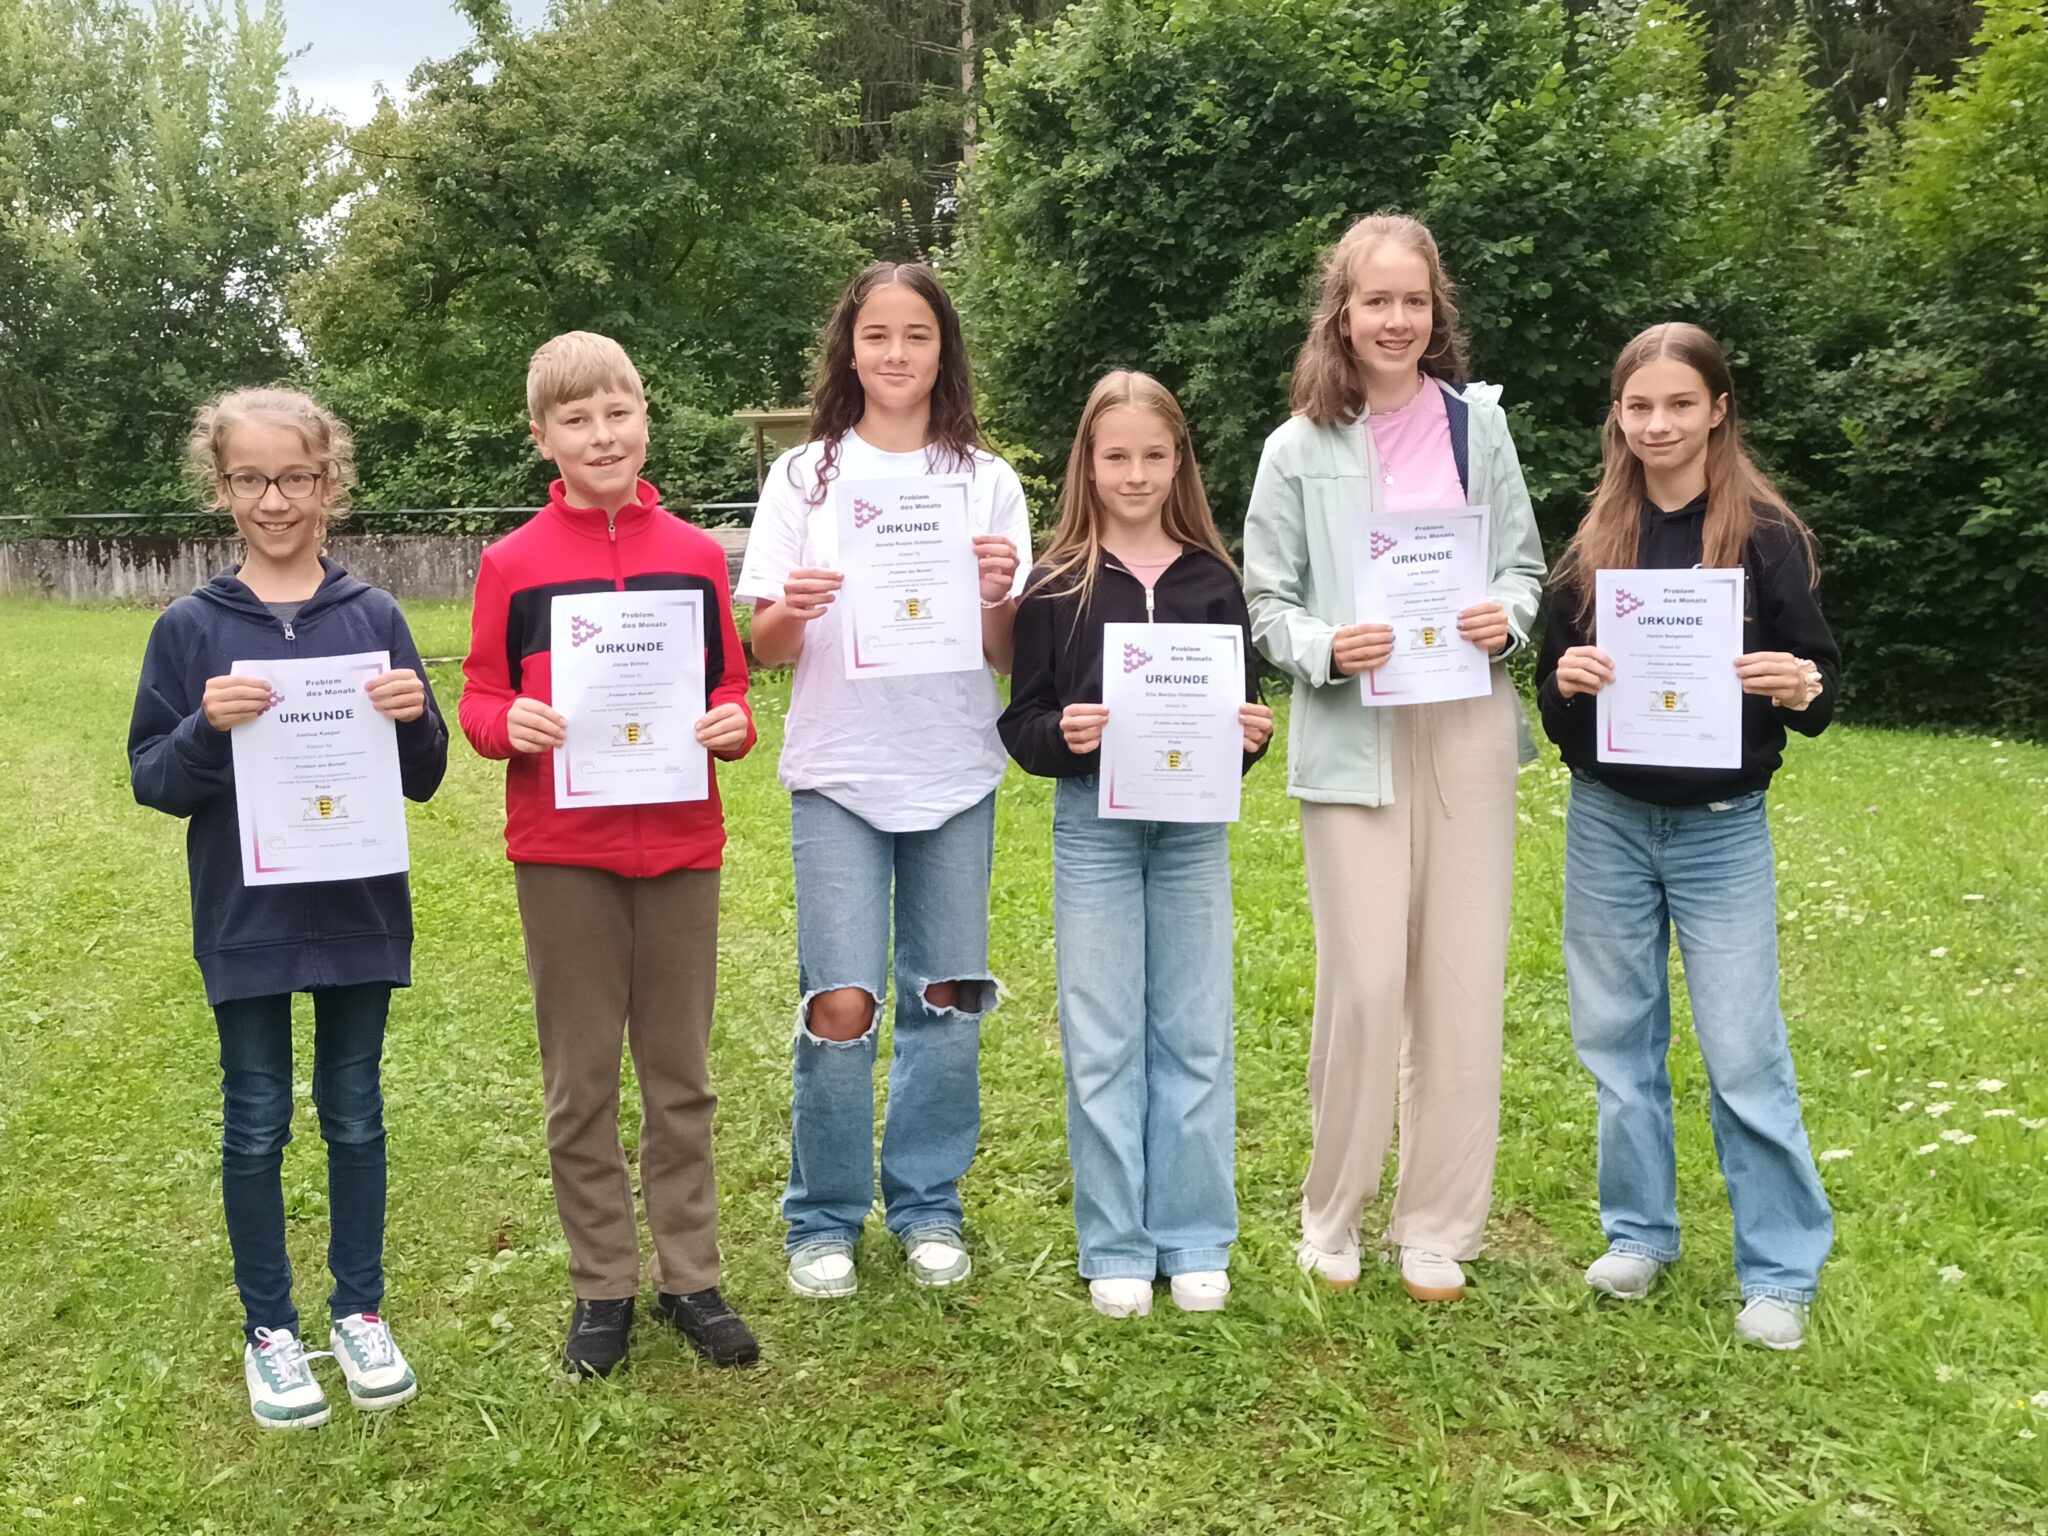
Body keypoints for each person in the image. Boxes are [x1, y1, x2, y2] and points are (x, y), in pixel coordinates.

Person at [129, 387, 447, 1428]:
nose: (277, 499)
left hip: (356, 903)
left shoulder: (374, 616)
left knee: (354, 1114)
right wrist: (202, 732)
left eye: (297, 478)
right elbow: (153, 779)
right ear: (221, 490)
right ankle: (271, 1330)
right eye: (253, 479)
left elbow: (425, 774)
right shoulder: (187, 629)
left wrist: (411, 715)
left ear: (329, 485)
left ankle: (358, 1309)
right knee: (256, 1120)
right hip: (248, 917)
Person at [1242, 213, 1546, 1303]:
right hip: (1350, 732)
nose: (1395, 319)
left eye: (1413, 301)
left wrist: (1498, 622)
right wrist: (1324, 645)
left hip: (1462, 725)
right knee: (1365, 983)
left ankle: (1436, 1225)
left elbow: (1522, 570)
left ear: (1435, 312)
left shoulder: (1477, 428)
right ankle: (1332, 1214)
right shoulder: (1295, 446)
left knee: (1459, 984)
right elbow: (1264, 599)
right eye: (1376, 300)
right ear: (1342, 312)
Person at [458, 331, 759, 1376]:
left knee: (680, 1075)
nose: (602, 434)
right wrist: (510, 727)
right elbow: (481, 696)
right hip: (564, 851)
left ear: (644, 415)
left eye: (617, 410)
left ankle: (692, 1275)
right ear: (543, 436)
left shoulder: (695, 555)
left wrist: (733, 723)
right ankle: (601, 1288)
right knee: (579, 1080)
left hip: (680, 843)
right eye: (577, 419)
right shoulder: (511, 563)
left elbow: (728, 683)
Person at [1535, 320, 1836, 1351]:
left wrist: (1800, 685)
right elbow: (1555, 704)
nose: (1656, 424)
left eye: (1677, 404)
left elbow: (1814, 681)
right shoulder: (1593, 544)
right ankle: (1638, 1233)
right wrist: (1565, 683)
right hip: (1607, 821)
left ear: (1716, 410)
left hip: (1719, 829)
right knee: (1616, 1039)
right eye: (1637, 406)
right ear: (1616, 419)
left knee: (1743, 1049)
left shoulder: (1764, 538)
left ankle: (1779, 1269)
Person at [736, 261, 1029, 1299]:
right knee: (841, 1001)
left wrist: (998, 592)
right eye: (876, 336)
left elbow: (1004, 656)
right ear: (847, 351)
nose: (895, 354)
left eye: (916, 335)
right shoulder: (804, 480)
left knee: (945, 999)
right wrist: (795, 607)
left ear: (942, 350)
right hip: (839, 772)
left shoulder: (983, 481)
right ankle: (821, 1218)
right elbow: (763, 647)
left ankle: (926, 1206)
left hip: (952, 768)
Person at [999, 371, 1271, 1317]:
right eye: (1116, 456)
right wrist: (1062, 736)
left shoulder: (1212, 580)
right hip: (1096, 835)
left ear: (1179, 462)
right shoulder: (1056, 583)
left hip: (1192, 836)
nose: (1136, 474)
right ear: (1088, 461)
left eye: (1155, 455)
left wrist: (1247, 740)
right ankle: (1115, 1239)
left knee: (1195, 1034)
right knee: (1104, 1038)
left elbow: (1233, 732)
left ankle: (1195, 1235)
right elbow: (1023, 724)